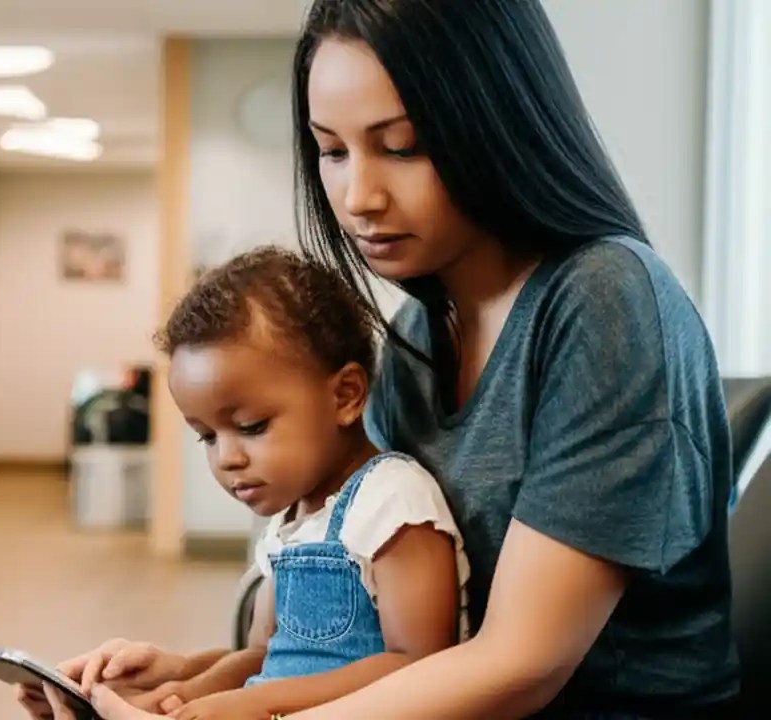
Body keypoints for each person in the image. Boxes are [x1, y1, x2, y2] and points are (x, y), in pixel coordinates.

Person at [67, 0, 743, 717]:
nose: (359, 197)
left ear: (499, 123)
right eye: (332, 151)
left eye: (403, 145)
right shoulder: (417, 332)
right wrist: (191, 680)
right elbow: (366, 615)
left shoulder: (606, 299)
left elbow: (520, 665)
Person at [21, 247, 470, 720]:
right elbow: (263, 657)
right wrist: (175, 693)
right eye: (207, 437)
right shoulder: (288, 523)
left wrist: (252, 703)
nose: (227, 459)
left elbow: (418, 665)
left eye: (253, 426)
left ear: (345, 395)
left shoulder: (394, 501)